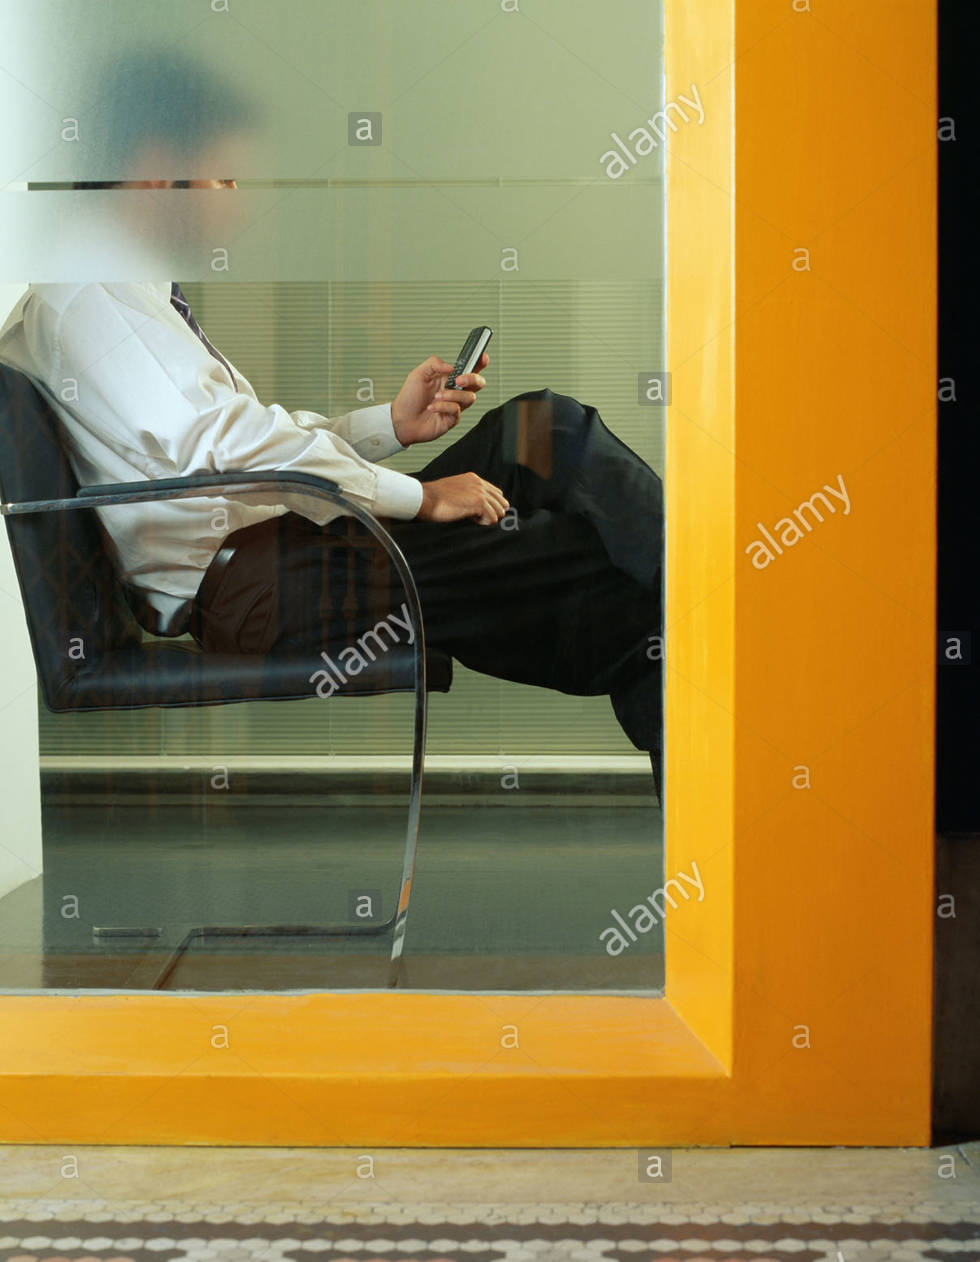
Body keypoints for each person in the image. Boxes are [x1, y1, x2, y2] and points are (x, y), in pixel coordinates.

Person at [0, 53, 664, 801]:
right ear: (157, 170)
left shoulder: (113, 287)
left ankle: (687, 595)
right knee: (631, 602)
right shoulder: (92, 287)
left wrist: (390, 425)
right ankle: (710, 597)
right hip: (273, 584)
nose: (238, 204)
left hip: (289, 559)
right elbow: (226, 444)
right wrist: (422, 498)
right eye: (225, 180)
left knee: (543, 431)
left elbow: (234, 442)